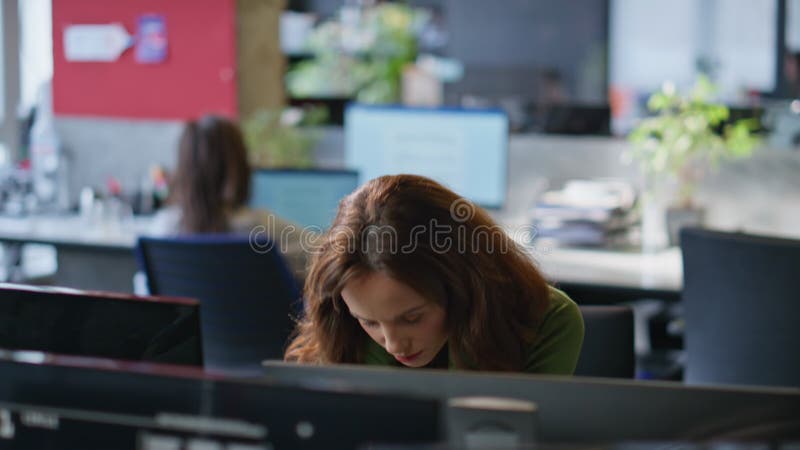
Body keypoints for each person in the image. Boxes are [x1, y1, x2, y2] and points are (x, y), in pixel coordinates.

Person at [285, 174, 584, 373]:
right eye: (369, 322)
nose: (393, 344)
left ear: (464, 282)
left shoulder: (549, 320)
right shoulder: (342, 327)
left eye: (412, 317)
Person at [147, 115, 310, 280]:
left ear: (182, 170)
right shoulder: (260, 227)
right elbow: (329, 257)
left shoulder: (162, 230)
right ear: (240, 167)